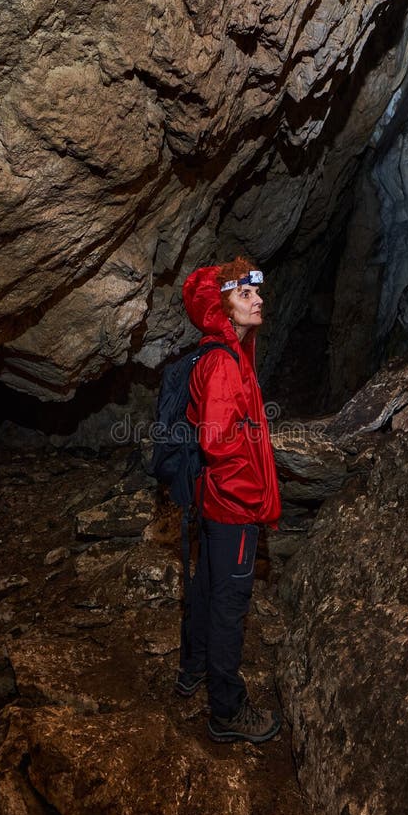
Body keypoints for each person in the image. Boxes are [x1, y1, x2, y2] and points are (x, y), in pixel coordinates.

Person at [175, 257, 282, 744]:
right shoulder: (222, 362)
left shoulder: (228, 354)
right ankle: (226, 710)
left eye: (256, 292)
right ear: (223, 308)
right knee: (229, 604)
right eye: (245, 294)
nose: (258, 300)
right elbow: (217, 441)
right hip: (232, 505)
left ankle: (192, 669)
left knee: (208, 587)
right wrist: (255, 497)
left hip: (216, 500)